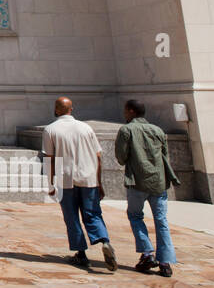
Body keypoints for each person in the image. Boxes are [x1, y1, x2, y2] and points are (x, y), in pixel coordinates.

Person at [43, 97, 117, 271]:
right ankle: (104, 241)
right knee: (93, 214)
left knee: (72, 217)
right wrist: (99, 182)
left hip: (65, 179)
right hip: (88, 178)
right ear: (71, 109)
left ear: (56, 109)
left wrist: (50, 184)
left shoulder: (50, 130)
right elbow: (98, 157)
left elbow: (49, 159)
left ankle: (81, 254)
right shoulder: (86, 128)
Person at [115, 99, 180, 277]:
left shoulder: (126, 130)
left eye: (125, 111)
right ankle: (165, 262)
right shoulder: (158, 130)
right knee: (161, 221)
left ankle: (147, 253)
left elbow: (121, 157)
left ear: (130, 111)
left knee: (135, 216)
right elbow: (165, 155)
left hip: (137, 181)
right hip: (158, 182)